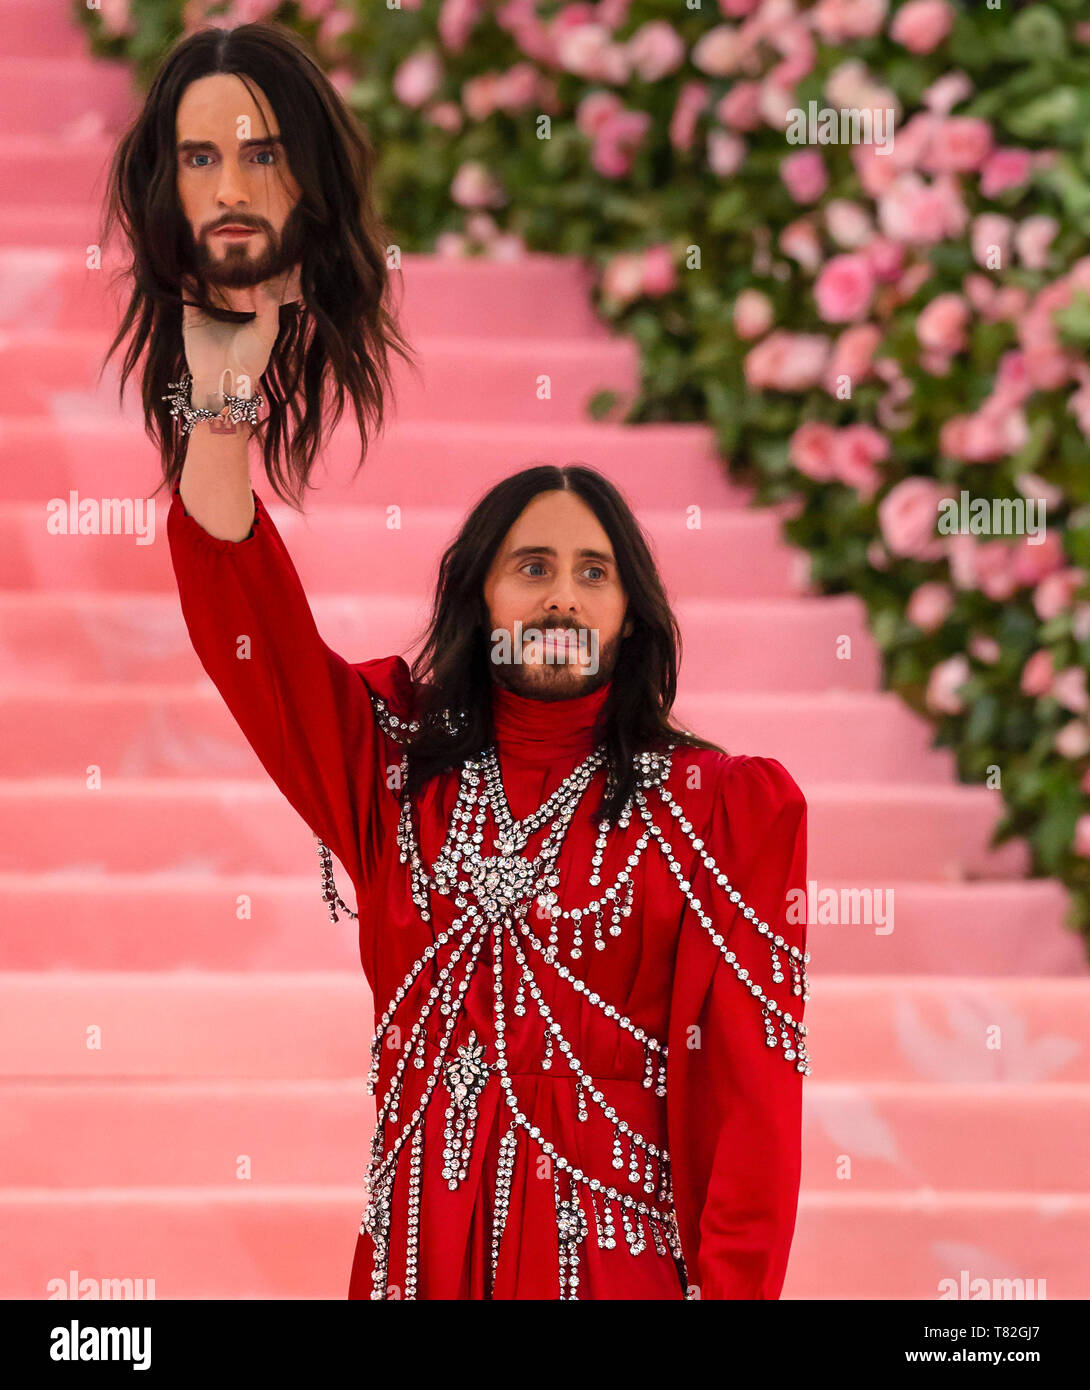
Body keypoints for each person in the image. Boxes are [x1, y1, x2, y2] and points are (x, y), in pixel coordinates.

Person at [113, 20, 812, 1301]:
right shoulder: (391, 770)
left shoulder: (722, 809)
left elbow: (754, 1114)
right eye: (529, 563)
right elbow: (239, 624)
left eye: (592, 569)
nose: (559, 589)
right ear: (476, 596)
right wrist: (223, 396)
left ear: (633, 617)